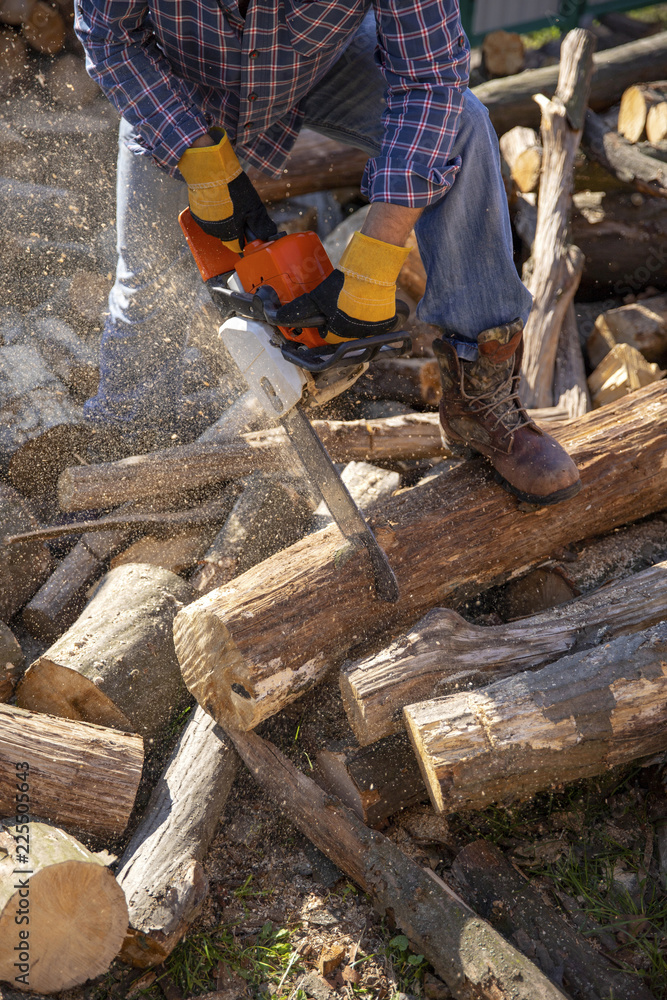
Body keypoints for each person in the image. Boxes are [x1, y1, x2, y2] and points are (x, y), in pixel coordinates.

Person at [75, 0, 581, 505]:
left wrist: (375, 262)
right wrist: (201, 160)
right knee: (147, 280)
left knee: (464, 125)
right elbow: (109, 35)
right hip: (179, 88)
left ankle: (480, 399)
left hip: (320, 65)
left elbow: (430, 81)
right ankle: (122, 443)